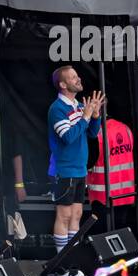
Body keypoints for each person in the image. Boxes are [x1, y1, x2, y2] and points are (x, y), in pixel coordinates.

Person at [47, 66, 103, 254]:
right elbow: (68, 137)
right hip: (65, 170)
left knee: (77, 215)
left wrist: (95, 117)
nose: (78, 79)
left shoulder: (78, 105)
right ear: (63, 84)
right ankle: (61, 260)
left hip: (79, 169)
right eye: (72, 77)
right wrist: (86, 116)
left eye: (77, 75)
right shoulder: (57, 109)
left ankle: (73, 256)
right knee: (64, 215)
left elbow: (93, 134)